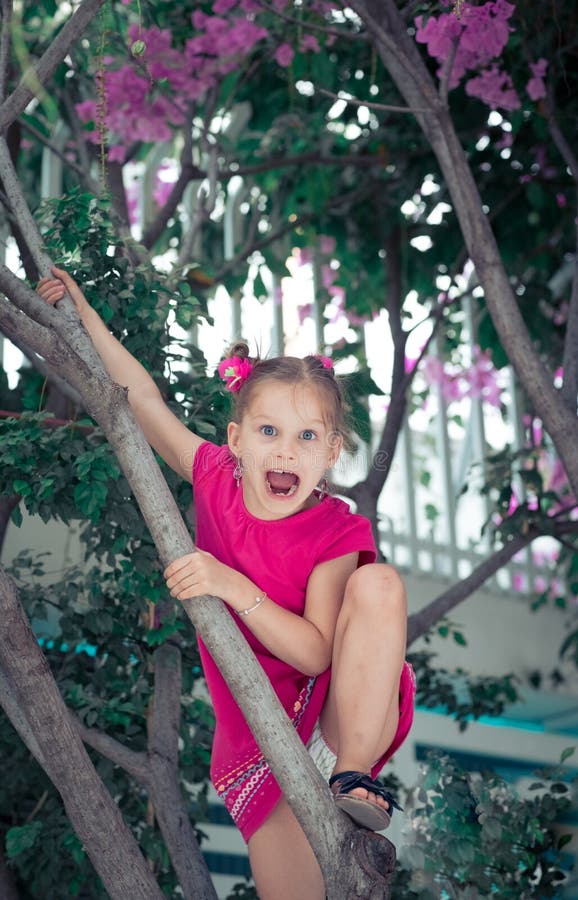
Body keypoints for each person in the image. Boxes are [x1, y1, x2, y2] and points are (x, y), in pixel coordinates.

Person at [38, 266, 415, 900]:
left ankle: (355, 781)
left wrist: (233, 586)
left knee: (379, 584)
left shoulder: (333, 532)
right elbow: (141, 398)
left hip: (338, 723)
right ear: (236, 440)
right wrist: (80, 311)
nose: (285, 453)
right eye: (268, 432)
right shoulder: (215, 478)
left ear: (330, 455)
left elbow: (318, 650)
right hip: (262, 747)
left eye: (306, 438)